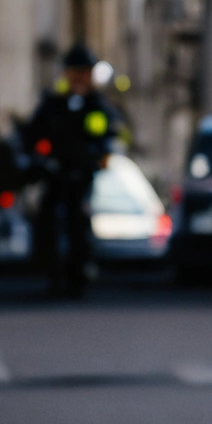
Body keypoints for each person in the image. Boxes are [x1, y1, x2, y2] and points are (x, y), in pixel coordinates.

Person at [24, 43, 127, 297]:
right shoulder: (53, 103)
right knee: (46, 218)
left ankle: (79, 272)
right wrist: (38, 157)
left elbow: (114, 135)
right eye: (75, 72)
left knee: (78, 222)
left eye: (84, 72)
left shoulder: (99, 105)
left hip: (82, 175)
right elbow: (32, 133)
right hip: (54, 173)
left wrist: (101, 155)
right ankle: (51, 271)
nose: (79, 78)